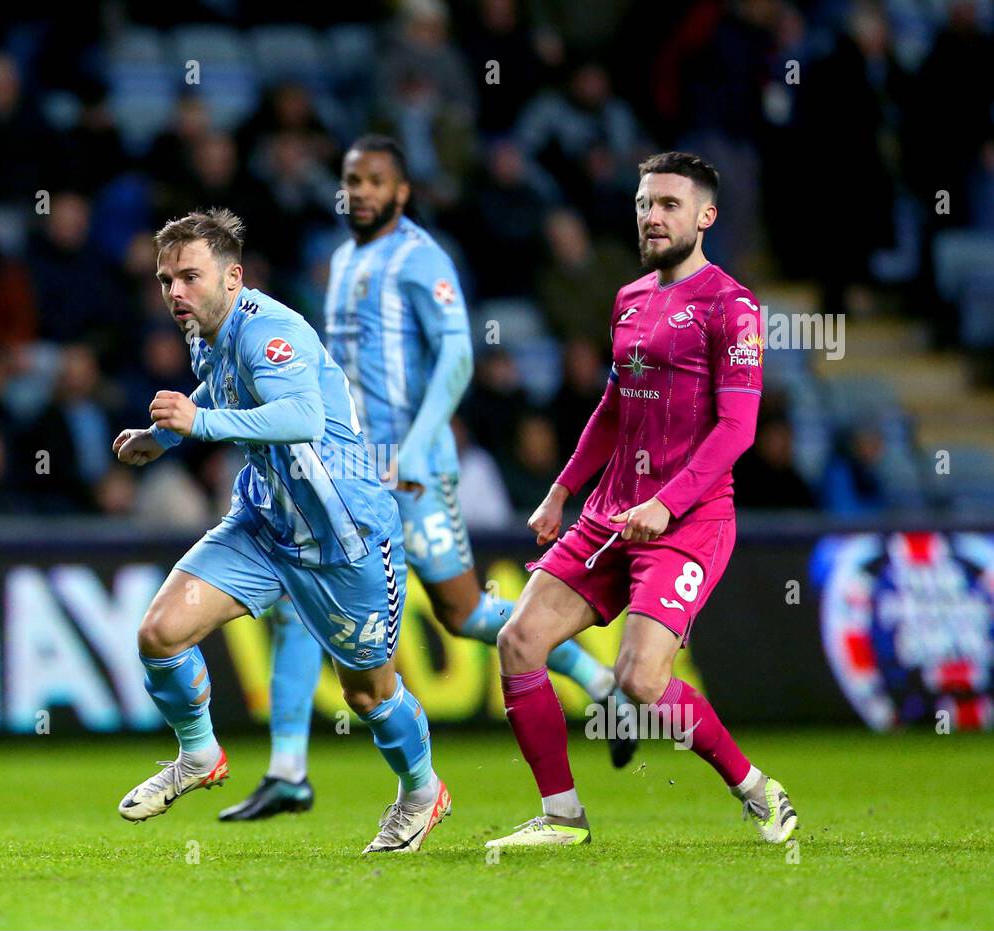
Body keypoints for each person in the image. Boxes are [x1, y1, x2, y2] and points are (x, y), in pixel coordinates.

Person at [220, 135, 630, 825]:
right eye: (352, 179)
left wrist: (415, 446)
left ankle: (600, 682)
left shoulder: (422, 256)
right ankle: (288, 770)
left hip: (412, 467)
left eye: (376, 180)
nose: (361, 191)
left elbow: (459, 355)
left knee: (464, 613)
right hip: (349, 467)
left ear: (402, 191)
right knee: (297, 594)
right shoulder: (344, 258)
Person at [112, 208, 451, 854]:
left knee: (368, 693)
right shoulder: (205, 331)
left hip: (345, 537)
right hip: (265, 523)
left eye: (189, 276)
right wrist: (160, 438)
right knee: (159, 634)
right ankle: (199, 754)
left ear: (232, 277)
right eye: (165, 280)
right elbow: (218, 389)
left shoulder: (272, 331)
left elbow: (300, 416)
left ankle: (421, 790)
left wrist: (196, 426)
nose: (175, 292)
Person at [488, 152, 798, 848]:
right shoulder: (630, 298)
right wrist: (561, 491)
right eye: (644, 204)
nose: (653, 217)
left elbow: (738, 427)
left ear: (705, 217)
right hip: (609, 510)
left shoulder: (733, 306)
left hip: (688, 520)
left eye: (668, 205)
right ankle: (563, 817)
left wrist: (669, 502)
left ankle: (757, 789)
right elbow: (613, 405)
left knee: (639, 679)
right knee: (519, 640)